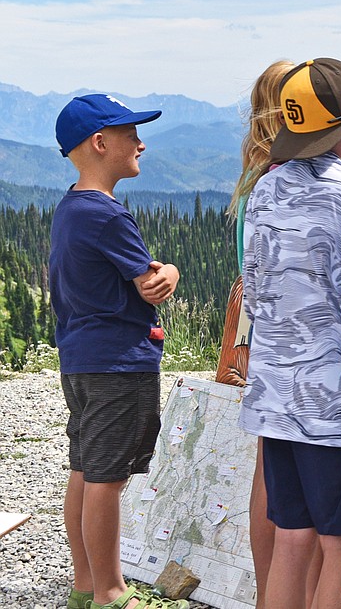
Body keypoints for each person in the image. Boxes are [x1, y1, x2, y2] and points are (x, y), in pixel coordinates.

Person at [239, 58, 341, 609]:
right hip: (336, 404)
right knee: (340, 545)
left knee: (291, 539)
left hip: (273, 396)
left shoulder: (265, 190)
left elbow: (253, 292)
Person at [50, 94, 185, 609]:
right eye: (131, 134)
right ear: (100, 143)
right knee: (109, 478)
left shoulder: (70, 208)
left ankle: (86, 585)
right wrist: (171, 270)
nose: (141, 143)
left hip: (81, 359)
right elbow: (151, 284)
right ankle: (111, 593)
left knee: (85, 469)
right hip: (119, 363)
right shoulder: (107, 215)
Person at [222, 58, 299, 609]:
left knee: (269, 473)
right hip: (307, 346)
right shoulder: (293, 182)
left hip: (268, 342)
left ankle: (269, 593)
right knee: (305, 486)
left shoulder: (259, 183)